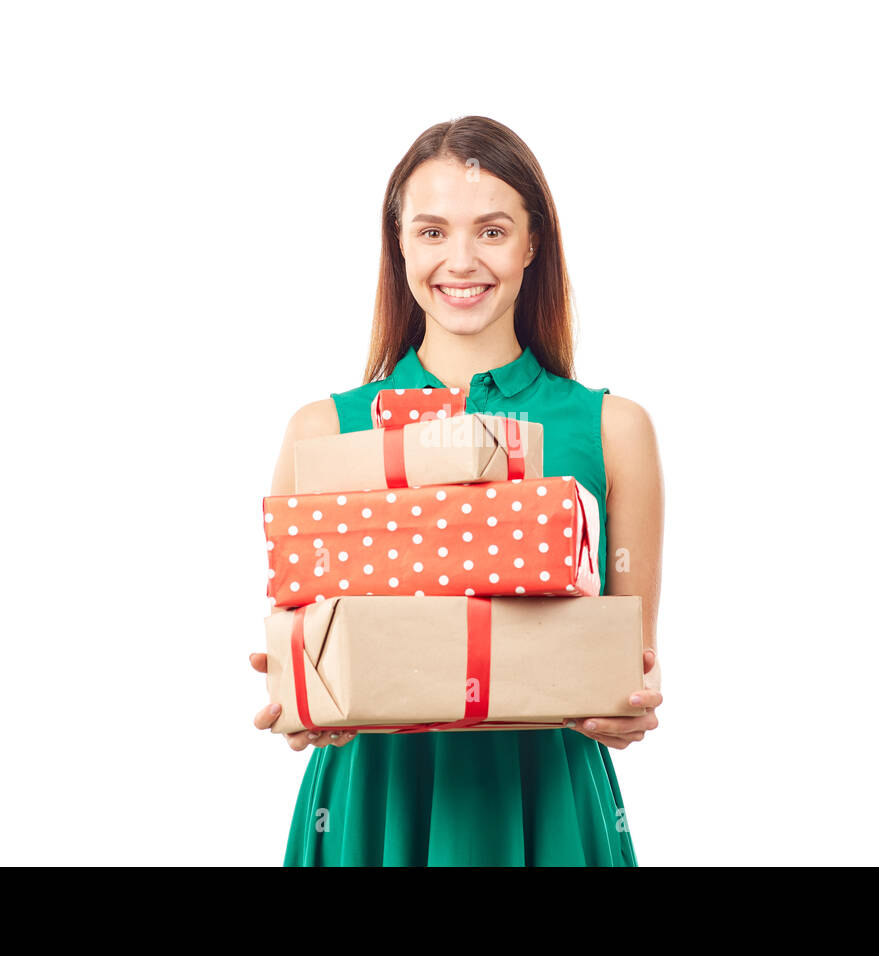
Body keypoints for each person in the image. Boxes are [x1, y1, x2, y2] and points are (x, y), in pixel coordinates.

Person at [250, 116, 664, 866]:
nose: (462, 260)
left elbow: (632, 663)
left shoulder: (613, 430)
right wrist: (297, 702)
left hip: (545, 797)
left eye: (494, 231)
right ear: (399, 244)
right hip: (376, 796)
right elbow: (291, 659)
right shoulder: (324, 430)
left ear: (534, 243)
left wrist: (627, 709)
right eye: (433, 231)